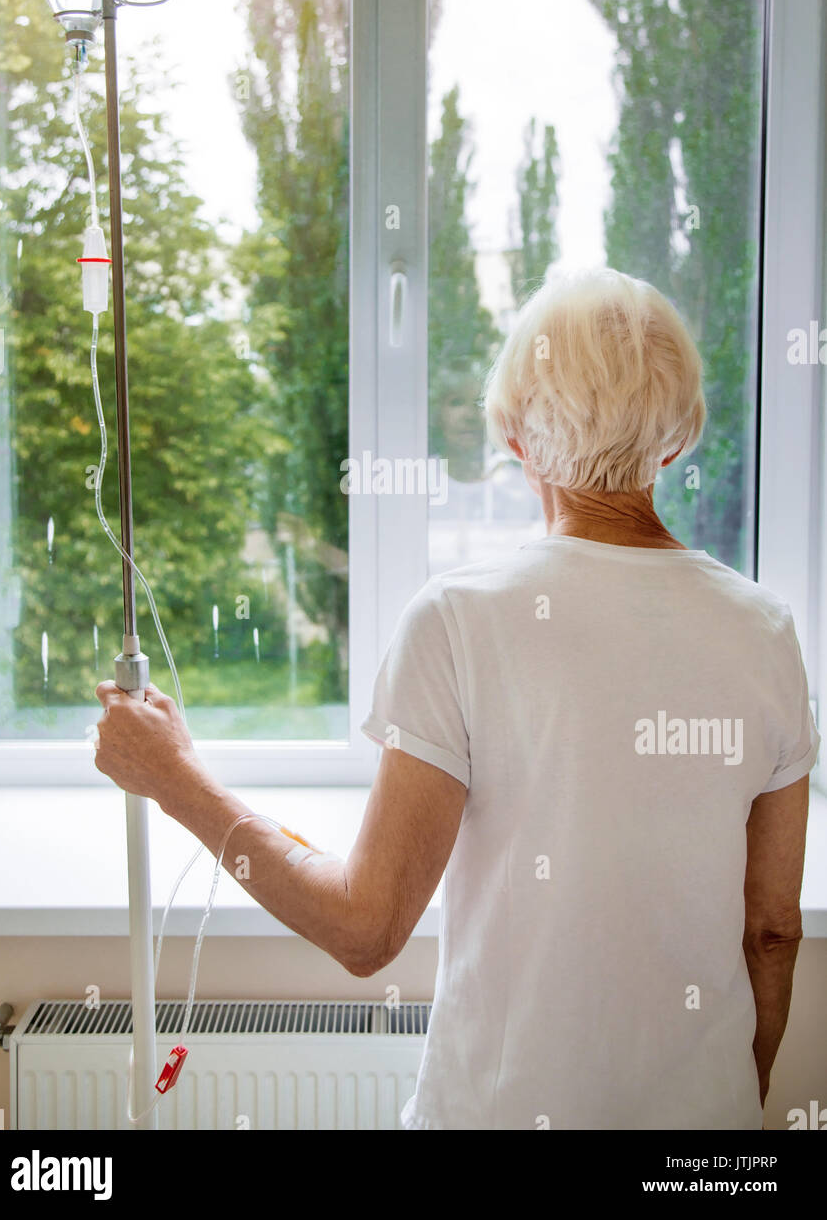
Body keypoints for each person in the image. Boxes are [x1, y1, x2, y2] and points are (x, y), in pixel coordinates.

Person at [95, 266, 818, 1130]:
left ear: (515, 435)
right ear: (675, 440)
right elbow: (772, 928)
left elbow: (366, 933)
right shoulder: (766, 632)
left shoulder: (460, 621)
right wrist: (741, 1093)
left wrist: (178, 782)